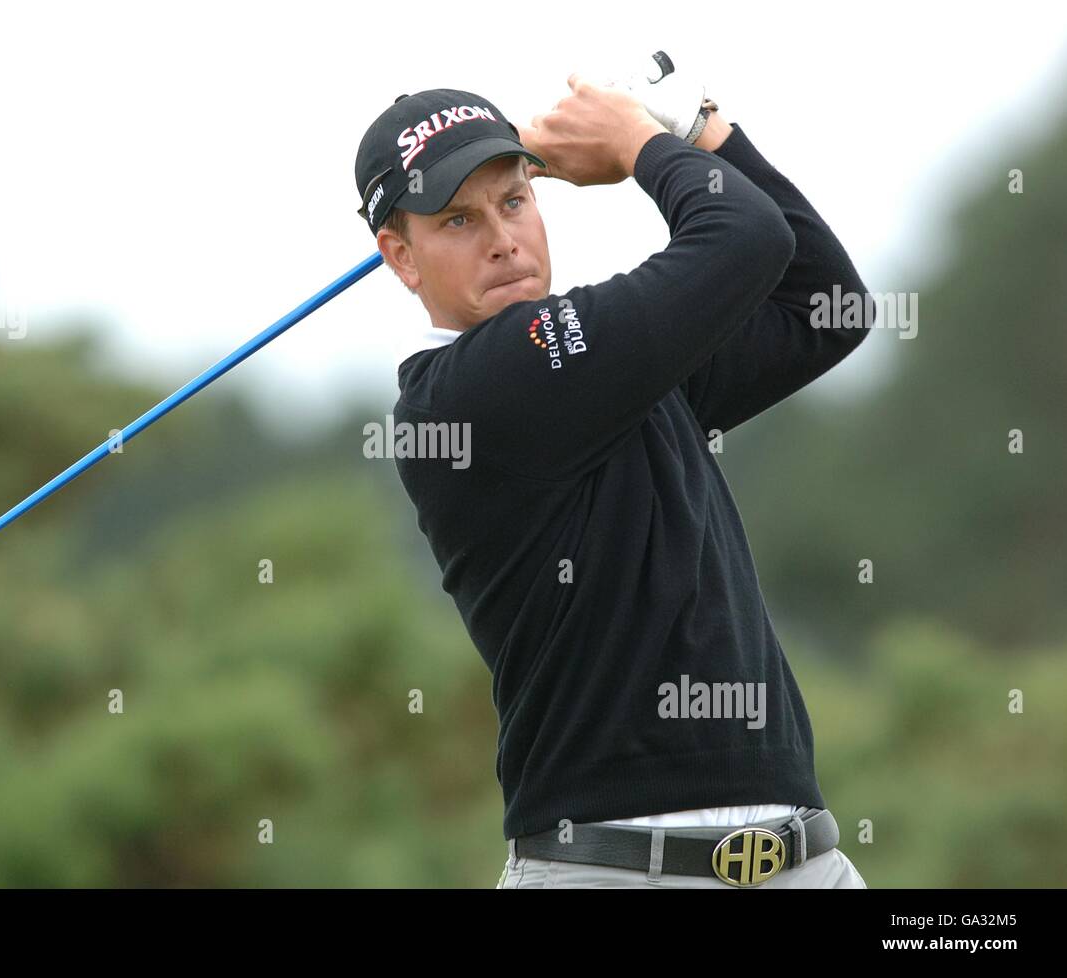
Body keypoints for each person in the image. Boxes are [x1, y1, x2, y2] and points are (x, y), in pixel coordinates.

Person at [353, 73, 871, 888]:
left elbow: (827, 304)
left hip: (802, 860)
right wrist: (639, 143)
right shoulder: (471, 391)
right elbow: (743, 240)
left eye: (514, 201)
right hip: (610, 867)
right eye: (458, 219)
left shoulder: (613, 373)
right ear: (400, 257)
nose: (501, 238)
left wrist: (700, 130)